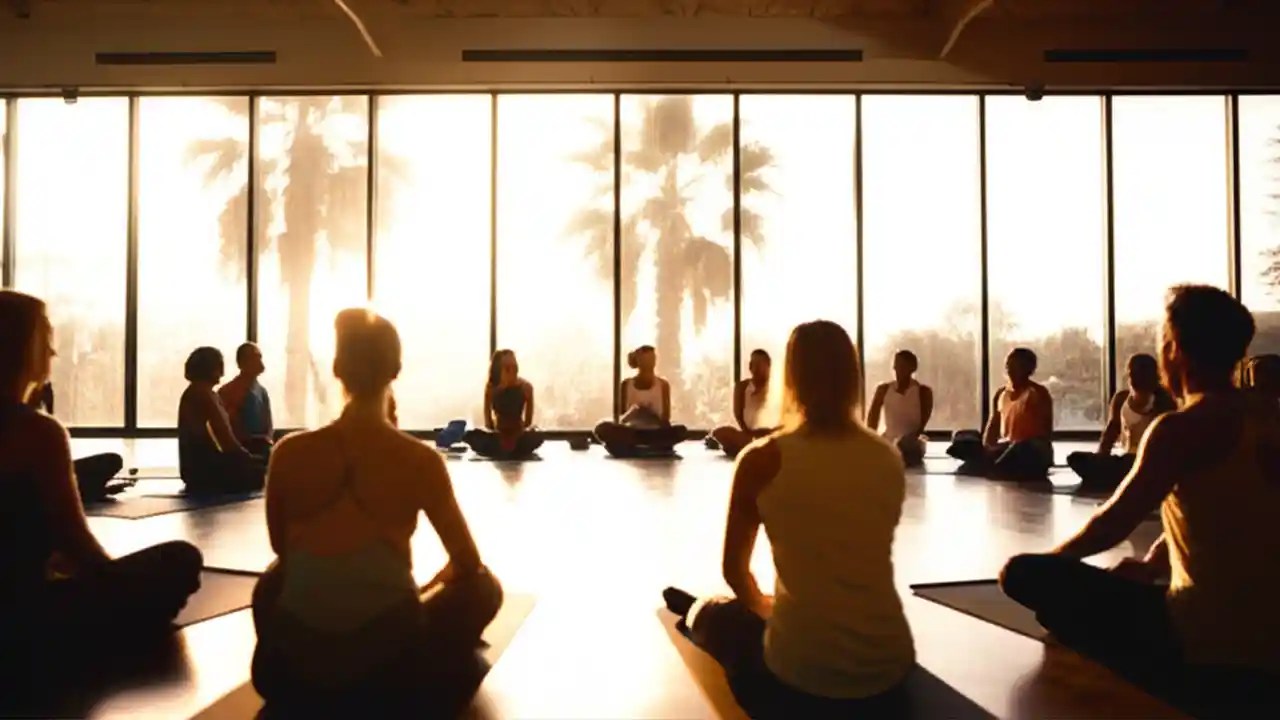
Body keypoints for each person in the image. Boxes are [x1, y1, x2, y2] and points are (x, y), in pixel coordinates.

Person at [1000, 286, 1280, 711]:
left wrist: (1055, 562)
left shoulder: (1180, 428)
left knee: (1023, 575)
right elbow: (1227, 510)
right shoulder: (1266, 418)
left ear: (1174, 348)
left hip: (1208, 646)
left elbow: (1113, 523)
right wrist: (1151, 564)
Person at [252, 308, 502, 714]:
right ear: (396, 370)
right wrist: (421, 596)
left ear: (336, 368)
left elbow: (284, 550)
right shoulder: (419, 460)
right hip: (393, 669)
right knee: (484, 586)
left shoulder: (288, 452)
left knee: (271, 580)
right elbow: (467, 562)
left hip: (288, 672)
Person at [663, 320, 915, 719]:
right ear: (852, 375)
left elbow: (735, 571)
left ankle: (695, 608)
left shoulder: (762, 459)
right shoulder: (887, 458)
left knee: (721, 615)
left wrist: (765, 610)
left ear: (790, 376)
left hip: (796, 685)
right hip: (889, 674)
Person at [0, 290, 202, 662]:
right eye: (46, 339)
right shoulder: (38, 433)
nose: (53, 353)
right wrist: (120, 585)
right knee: (180, 559)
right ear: (22, 347)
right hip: (24, 618)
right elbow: (77, 544)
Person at [1066, 354, 1176, 494]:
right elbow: (1110, 434)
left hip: (1150, 464)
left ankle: (1123, 479)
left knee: (1136, 467)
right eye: (1132, 372)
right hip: (1126, 461)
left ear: (1152, 375)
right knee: (1076, 459)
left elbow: (1166, 444)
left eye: (1140, 373)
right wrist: (1101, 459)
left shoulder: (1165, 402)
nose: (1134, 377)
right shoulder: (1121, 399)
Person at [947, 348, 1054, 480]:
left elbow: (1044, 433)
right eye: (1008, 365)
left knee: (1022, 448)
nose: (1010, 370)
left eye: (1016, 366)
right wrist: (987, 448)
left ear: (1029, 369)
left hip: (1028, 449)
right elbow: (993, 426)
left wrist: (1011, 446)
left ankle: (994, 465)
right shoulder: (1001, 393)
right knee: (963, 438)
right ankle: (993, 462)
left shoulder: (1037, 393)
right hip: (1003, 448)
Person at [178, 347, 266, 495]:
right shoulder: (204, 395)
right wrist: (249, 458)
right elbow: (226, 439)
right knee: (258, 472)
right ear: (209, 368)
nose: (222, 373)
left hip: (193, 471)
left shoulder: (197, 392)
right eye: (219, 367)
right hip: (203, 473)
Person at [30, 381, 130, 502]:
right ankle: (88, 492)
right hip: (40, 482)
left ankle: (90, 491)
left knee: (113, 460)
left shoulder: (40, 423)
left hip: (48, 477)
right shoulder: (25, 422)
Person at [594, 345, 688, 457]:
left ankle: (640, 446)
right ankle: (651, 447)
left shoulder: (663, 385)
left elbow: (666, 418)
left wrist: (650, 415)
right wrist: (634, 413)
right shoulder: (626, 385)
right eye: (646, 360)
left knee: (681, 430)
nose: (650, 363)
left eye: (652, 359)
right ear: (638, 362)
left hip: (655, 431)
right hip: (631, 431)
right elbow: (621, 418)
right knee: (602, 428)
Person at [464, 350, 543, 459]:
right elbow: (488, 422)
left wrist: (518, 435)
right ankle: (505, 449)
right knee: (472, 435)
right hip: (498, 435)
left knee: (537, 434)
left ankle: (513, 449)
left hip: (519, 435)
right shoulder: (491, 388)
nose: (512, 371)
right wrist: (501, 388)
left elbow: (528, 423)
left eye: (515, 367)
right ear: (499, 370)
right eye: (507, 368)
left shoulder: (526, 387)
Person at [866, 350, 933, 467]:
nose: (897, 369)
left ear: (912, 368)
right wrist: (871, 442)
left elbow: (921, 426)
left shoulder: (923, 392)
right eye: (896, 365)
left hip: (912, 443)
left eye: (902, 366)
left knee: (906, 447)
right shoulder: (884, 389)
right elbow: (873, 418)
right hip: (889, 439)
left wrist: (908, 440)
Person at [710, 349, 775, 459]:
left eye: (761, 364)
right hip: (749, 434)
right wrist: (747, 433)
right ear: (750, 367)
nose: (757, 368)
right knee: (719, 432)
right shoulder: (742, 387)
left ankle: (749, 448)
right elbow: (738, 415)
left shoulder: (776, 389)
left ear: (768, 366)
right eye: (754, 364)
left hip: (770, 435)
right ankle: (749, 446)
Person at [217, 342, 274, 458]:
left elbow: (268, 423)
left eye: (259, 357)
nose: (259, 362)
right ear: (242, 363)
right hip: (239, 453)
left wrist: (267, 440)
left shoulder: (262, 392)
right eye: (254, 358)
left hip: (261, 449)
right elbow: (226, 427)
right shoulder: (228, 391)